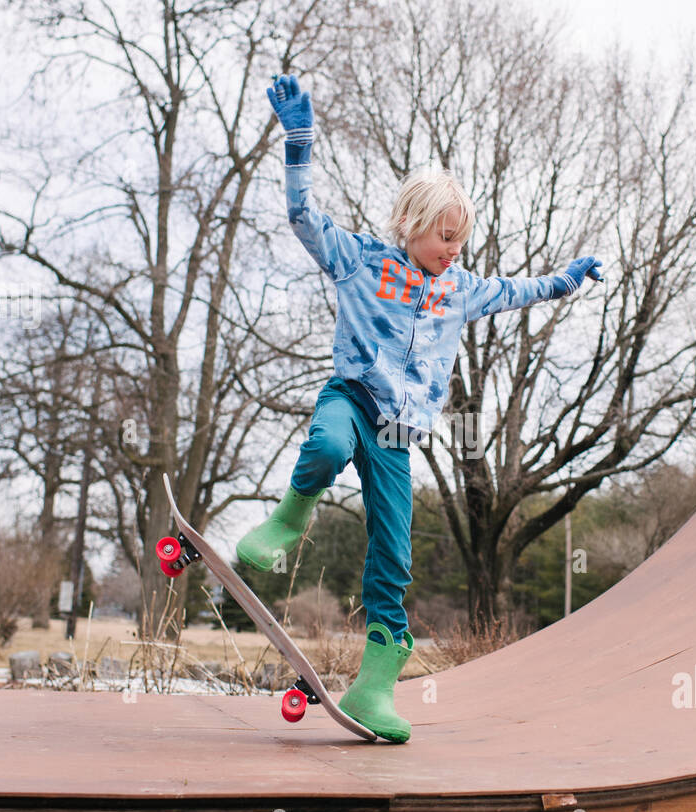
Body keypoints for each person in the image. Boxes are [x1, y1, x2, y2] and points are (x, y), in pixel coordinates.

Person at [238, 73, 601, 742]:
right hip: (350, 396)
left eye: (459, 239)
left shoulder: (460, 288)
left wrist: (567, 281)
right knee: (324, 447)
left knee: (396, 555)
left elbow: (515, 291)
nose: (452, 249)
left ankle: (375, 686)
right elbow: (302, 218)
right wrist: (298, 141)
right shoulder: (359, 260)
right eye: (442, 236)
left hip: (398, 435)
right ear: (408, 225)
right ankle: (288, 520)